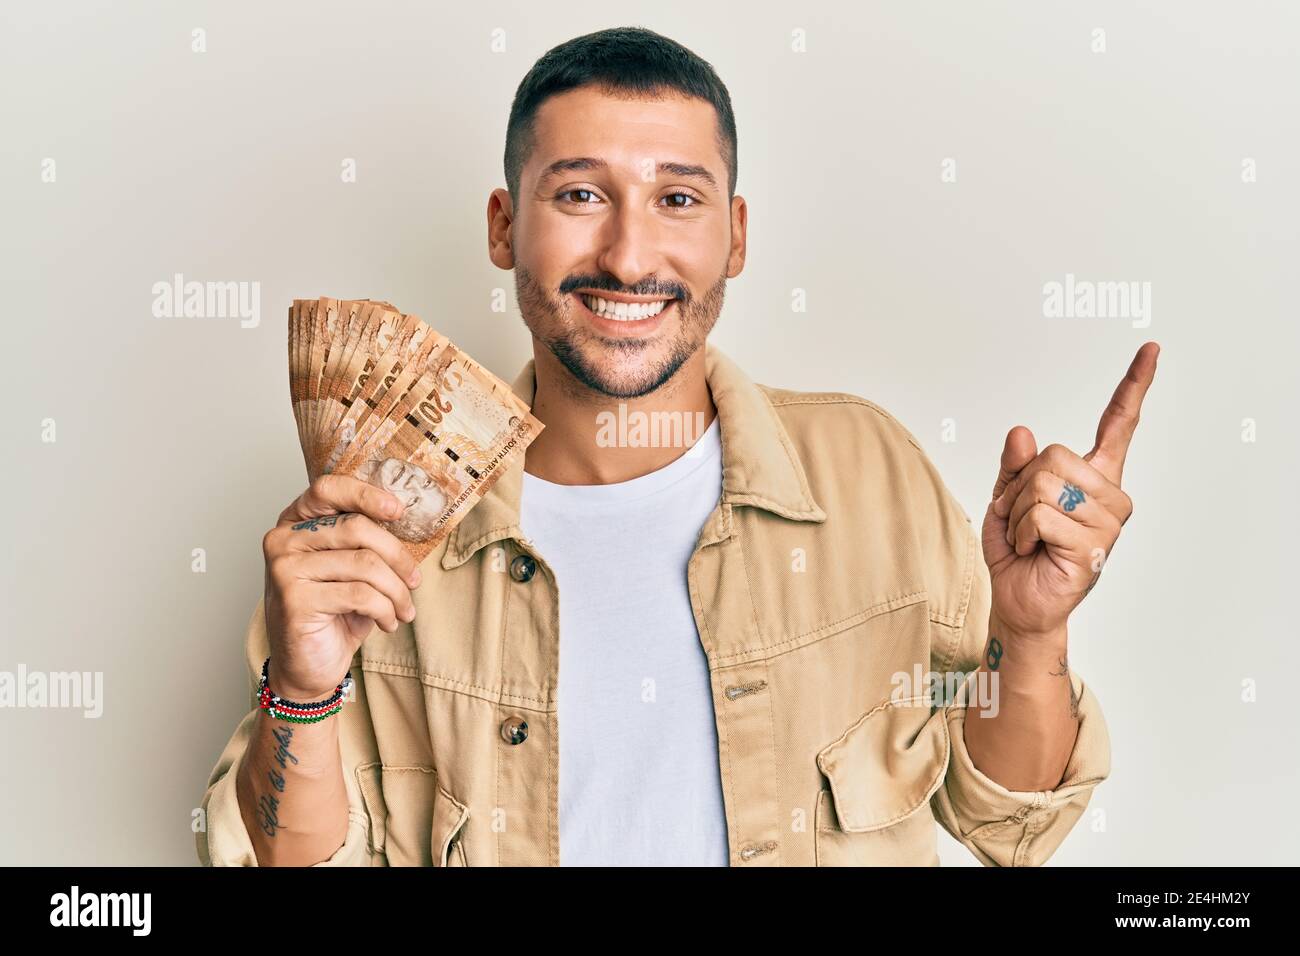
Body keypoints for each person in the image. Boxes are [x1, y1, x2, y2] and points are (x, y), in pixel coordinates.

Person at [198, 26, 1158, 867]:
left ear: (735, 237)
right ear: (503, 227)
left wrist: (1030, 639)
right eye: (579, 193)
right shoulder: (377, 528)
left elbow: (1005, 823)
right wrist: (301, 691)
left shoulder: (873, 475)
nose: (627, 256)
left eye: (678, 200)